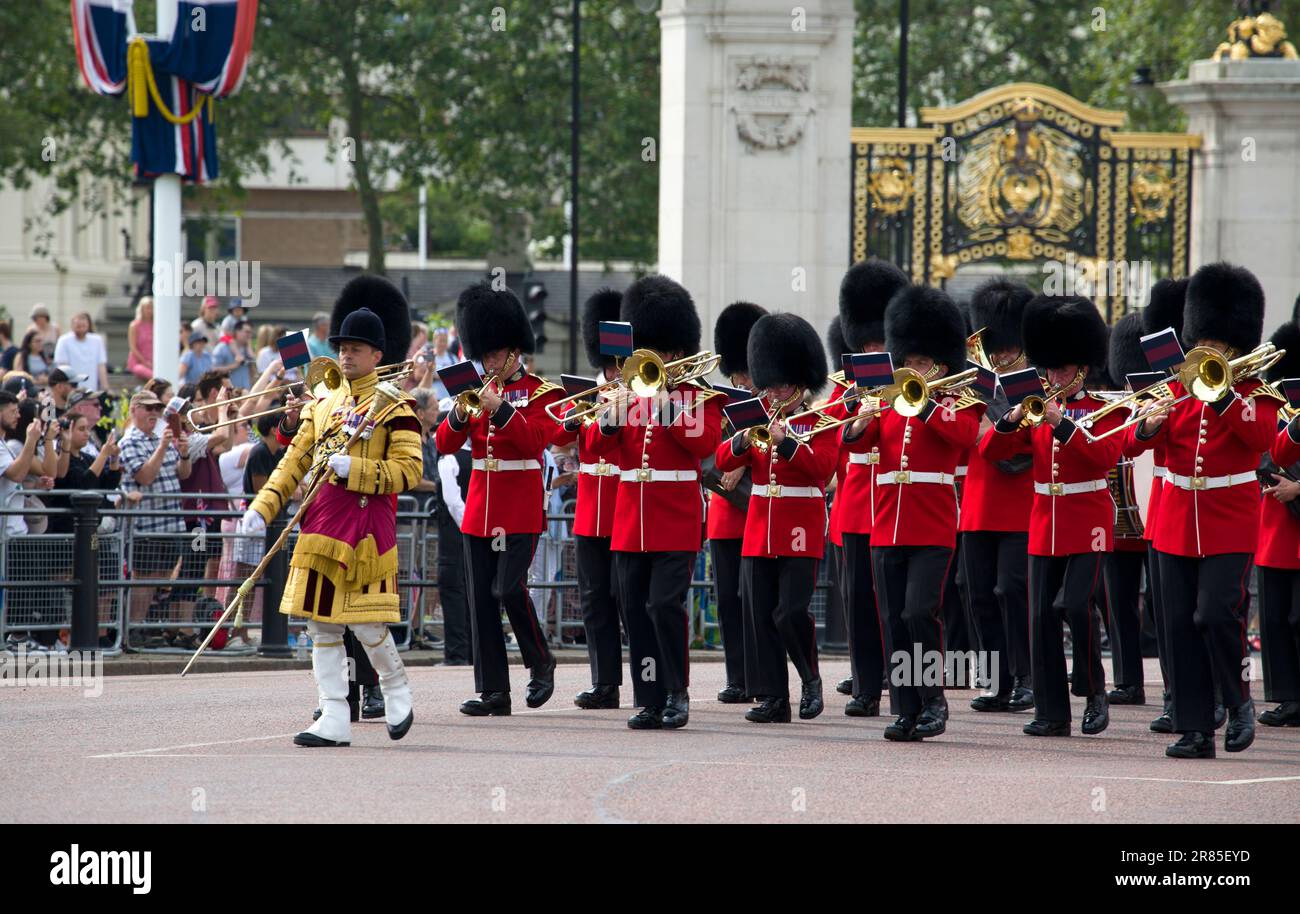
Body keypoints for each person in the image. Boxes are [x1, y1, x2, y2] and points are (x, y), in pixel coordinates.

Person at [240, 274, 421, 748]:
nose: (346, 354)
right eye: (343, 346)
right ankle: (334, 714)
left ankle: (397, 687)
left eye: (357, 349)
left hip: (365, 527)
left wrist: (356, 469)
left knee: (365, 622)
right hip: (322, 523)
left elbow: (408, 471)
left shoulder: (396, 408)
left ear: (377, 355)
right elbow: (293, 460)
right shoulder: (322, 404)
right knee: (320, 624)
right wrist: (263, 507)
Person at [1125, 262, 1278, 758]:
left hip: (1228, 518)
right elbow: (1134, 441)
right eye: (1203, 344)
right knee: (1179, 626)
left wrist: (1224, 395)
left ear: (1235, 347)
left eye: (1218, 346)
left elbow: (1263, 440)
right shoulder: (1173, 388)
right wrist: (1148, 425)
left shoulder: (1254, 394)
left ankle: (1237, 702)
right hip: (1174, 519)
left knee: (1216, 614)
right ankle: (1195, 729)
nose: (1208, 353)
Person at [842, 285, 983, 741]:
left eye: (919, 363)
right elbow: (857, 443)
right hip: (886, 523)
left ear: (939, 364)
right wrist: (858, 418)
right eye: (907, 360)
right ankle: (905, 708)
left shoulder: (956, 399)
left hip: (932, 524)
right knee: (892, 618)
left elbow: (964, 437)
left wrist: (925, 406)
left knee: (921, 612)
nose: (910, 369)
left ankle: (933, 699)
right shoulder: (886, 397)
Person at [586, 275, 725, 730]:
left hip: (676, 518)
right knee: (634, 611)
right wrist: (611, 416)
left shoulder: (699, 396)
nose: (656, 359)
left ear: (676, 350)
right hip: (630, 519)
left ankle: (677, 692)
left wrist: (664, 403)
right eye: (649, 349)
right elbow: (594, 448)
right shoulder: (623, 392)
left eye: (662, 351)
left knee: (664, 606)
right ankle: (648, 698)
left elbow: (703, 442)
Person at [983, 294, 1120, 739]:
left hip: (1088, 518)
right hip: (1046, 517)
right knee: (1041, 615)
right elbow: (990, 452)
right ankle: (1052, 711)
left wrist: (1062, 424)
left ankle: (1094, 690)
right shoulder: (1036, 410)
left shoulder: (1104, 408)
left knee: (1075, 604)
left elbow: (1103, 457)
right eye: (1050, 369)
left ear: (1081, 368)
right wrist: (1011, 420)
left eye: (1062, 369)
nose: (1054, 376)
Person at [435, 282, 562, 717]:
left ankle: (540, 660)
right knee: (482, 601)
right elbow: (445, 445)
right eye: (483, 354)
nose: (488, 362)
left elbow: (532, 444)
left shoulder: (544, 393)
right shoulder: (475, 390)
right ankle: (493, 691)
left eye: (494, 354)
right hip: (479, 508)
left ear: (513, 352)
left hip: (519, 506)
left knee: (508, 588)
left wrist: (501, 410)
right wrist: (457, 414)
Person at [716, 312, 837, 723]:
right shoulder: (758, 417)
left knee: (789, 612)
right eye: (769, 384)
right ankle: (772, 697)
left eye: (781, 384)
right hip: (759, 527)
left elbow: (822, 467)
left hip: (800, 526)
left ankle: (810, 679)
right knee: (759, 613)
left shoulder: (820, 421)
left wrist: (787, 445)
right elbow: (721, 459)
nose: (773, 392)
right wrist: (738, 439)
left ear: (801, 384)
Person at [828, 258, 909, 716]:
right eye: (869, 341)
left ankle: (903, 685)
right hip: (858, 504)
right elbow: (834, 438)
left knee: (894, 605)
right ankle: (865, 687)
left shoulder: (908, 385)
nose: (875, 348)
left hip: (897, 503)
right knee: (858, 601)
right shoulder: (845, 388)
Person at [960, 278, 1035, 712]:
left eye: (1009, 348)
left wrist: (1001, 430)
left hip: (1021, 503)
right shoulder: (974, 384)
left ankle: (1027, 676)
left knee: (1012, 589)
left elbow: (1032, 447)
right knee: (980, 594)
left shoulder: (1036, 387)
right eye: (998, 348)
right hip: (978, 503)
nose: (1003, 355)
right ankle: (997, 682)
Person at [551, 289, 627, 708]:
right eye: (611, 364)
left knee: (628, 599)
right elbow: (559, 437)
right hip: (592, 509)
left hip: (627, 505)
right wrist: (578, 407)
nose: (616, 370)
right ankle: (605, 684)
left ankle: (648, 681)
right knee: (595, 600)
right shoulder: (587, 393)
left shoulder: (637, 394)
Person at [1136, 278, 1191, 734]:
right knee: (1164, 607)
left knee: (1206, 611)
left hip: (1204, 507)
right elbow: (1137, 444)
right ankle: (1176, 694)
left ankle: (1208, 695)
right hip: (1165, 506)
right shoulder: (1166, 392)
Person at [706, 300, 766, 704]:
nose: (743, 380)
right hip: (725, 512)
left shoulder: (774, 403)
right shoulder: (720, 401)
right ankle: (737, 676)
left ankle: (761, 674)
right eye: (738, 373)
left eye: (748, 373)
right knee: (727, 598)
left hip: (759, 512)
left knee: (755, 599)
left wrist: (742, 464)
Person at [1102, 313, 1153, 707]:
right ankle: (1127, 679)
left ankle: (1174, 685)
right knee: (1117, 599)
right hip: (1120, 518)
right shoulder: (1116, 406)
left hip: (1158, 516)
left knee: (1164, 603)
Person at [118, 389, 193, 646]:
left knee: (161, 578)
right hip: (146, 525)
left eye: (157, 409)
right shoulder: (129, 441)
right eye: (148, 408)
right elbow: (145, 477)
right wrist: (163, 446)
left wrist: (183, 453)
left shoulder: (162, 438)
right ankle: (134, 630)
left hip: (171, 522)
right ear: (134, 410)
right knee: (144, 580)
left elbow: (183, 474)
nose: (154, 413)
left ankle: (147, 629)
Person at [1258, 319, 1300, 728]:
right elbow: (1261, 451)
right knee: (1274, 619)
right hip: (1275, 528)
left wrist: (1299, 488)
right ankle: (1286, 696)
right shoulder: (1275, 407)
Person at [433, 402, 473, 666]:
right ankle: (468, 652)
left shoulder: (450, 458)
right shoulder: (474, 456)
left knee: (453, 592)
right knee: (468, 592)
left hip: (455, 533)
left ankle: (457, 653)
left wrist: (466, 527)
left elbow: (452, 500)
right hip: (472, 533)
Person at [53, 313, 109, 392]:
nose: (81, 328)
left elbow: (101, 366)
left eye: (84, 325)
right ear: (72, 326)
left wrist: (105, 388)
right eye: (78, 326)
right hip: (71, 391)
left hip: (92, 390)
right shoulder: (63, 341)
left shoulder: (97, 340)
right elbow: (62, 367)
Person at [212, 319, 254, 389]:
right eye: (247, 332)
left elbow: (252, 372)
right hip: (229, 393)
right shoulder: (221, 348)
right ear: (237, 332)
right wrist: (234, 366)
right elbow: (213, 370)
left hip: (246, 393)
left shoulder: (248, 349)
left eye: (250, 333)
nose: (249, 335)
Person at [127, 297, 155, 381]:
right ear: (141, 309)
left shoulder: (156, 325)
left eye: (151, 308)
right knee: (155, 377)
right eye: (147, 308)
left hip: (153, 362)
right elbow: (133, 347)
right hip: (138, 362)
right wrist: (145, 363)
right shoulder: (134, 325)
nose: (149, 311)